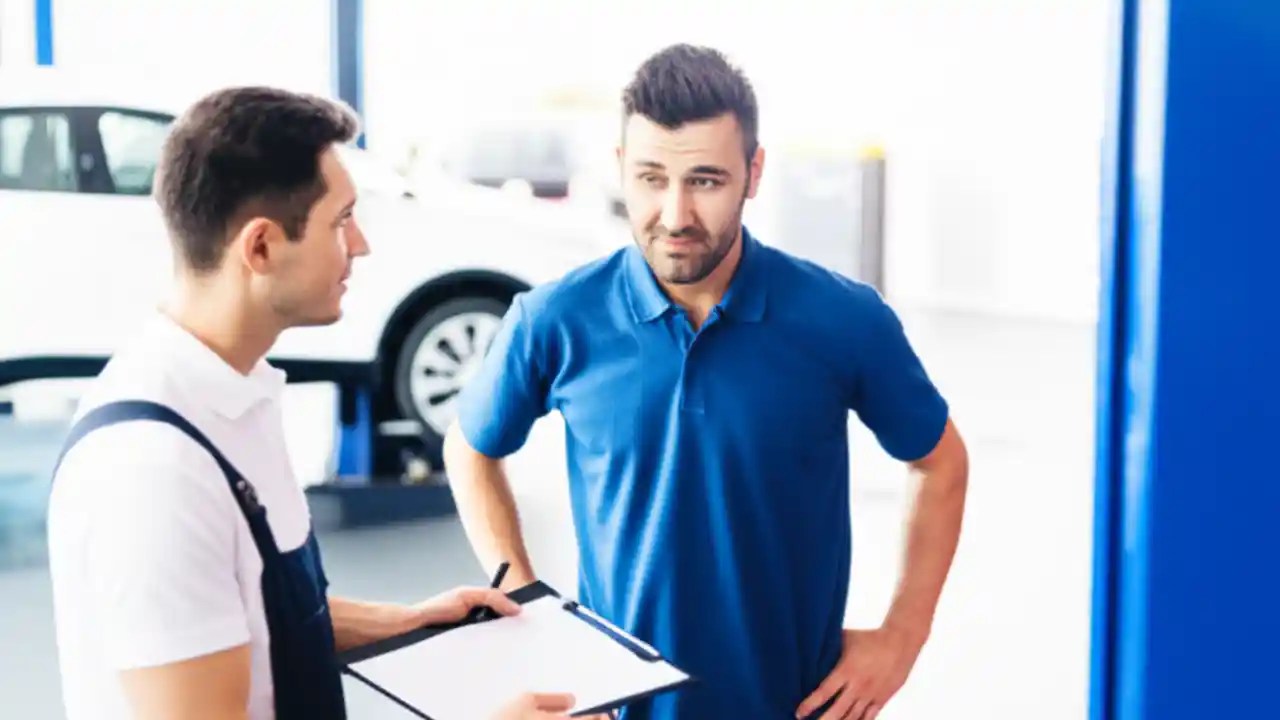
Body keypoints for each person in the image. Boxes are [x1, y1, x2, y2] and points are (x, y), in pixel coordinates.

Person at [444, 43, 971, 720]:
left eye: (706, 181)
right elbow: (470, 448)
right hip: (615, 707)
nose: (675, 215)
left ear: (754, 172)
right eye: (651, 178)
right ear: (620, 167)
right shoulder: (555, 318)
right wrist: (533, 616)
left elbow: (940, 462)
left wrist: (903, 637)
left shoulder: (845, 319)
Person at [45, 86, 578, 720]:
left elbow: (255, 614)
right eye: (341, 220)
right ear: (261, 248)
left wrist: (407, 622)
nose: (361, 244)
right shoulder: (155, 474)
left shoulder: (237, 395)